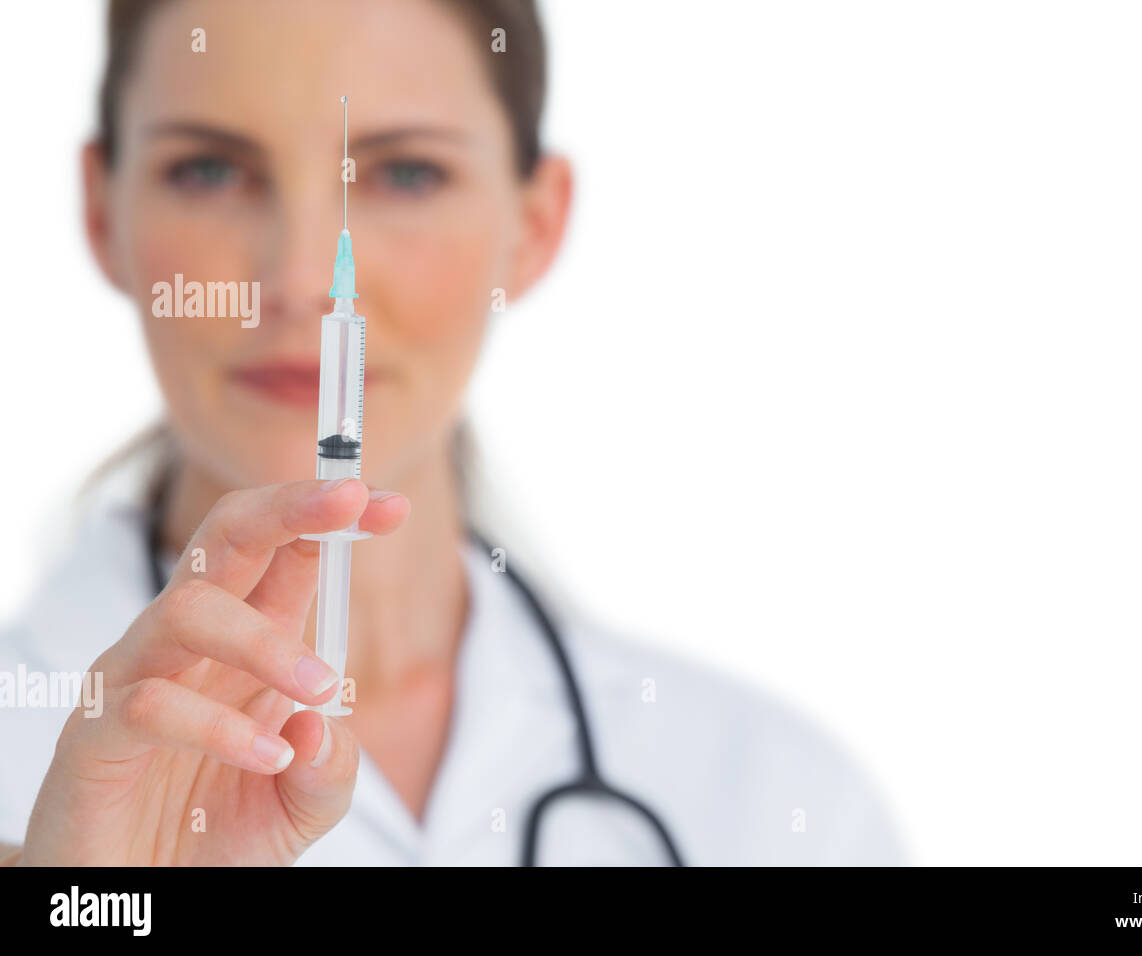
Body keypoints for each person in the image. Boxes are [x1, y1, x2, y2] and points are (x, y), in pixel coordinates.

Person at [0, 0, 903, 866]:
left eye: (406, 173)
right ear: (99, 212)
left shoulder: (776, 799)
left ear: (534, 225)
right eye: (208, 169)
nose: (305, 278)